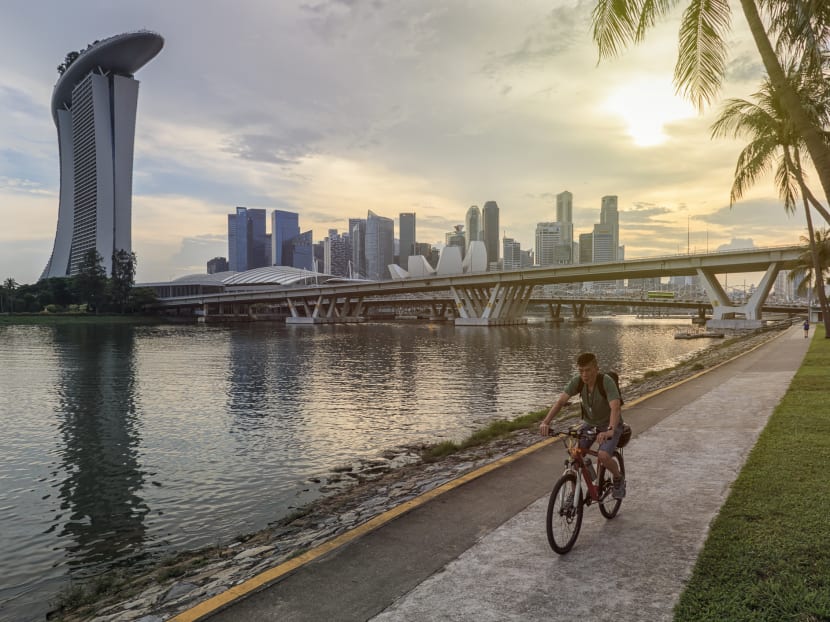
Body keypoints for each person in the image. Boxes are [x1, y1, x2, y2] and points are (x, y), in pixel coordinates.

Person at [539, 352, 626, 499]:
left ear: (596, 369)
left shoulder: (606, 382)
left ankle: (618, 478)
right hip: (590, 424)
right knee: (574, 456)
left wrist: (610, 430)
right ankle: (574, 494)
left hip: (610, 424)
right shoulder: (578, 382)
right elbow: (560, 402)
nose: (584, 375)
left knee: (603, 455)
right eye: (581, 371)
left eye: (588, 370)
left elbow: (615, 408)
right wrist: (546, 422)